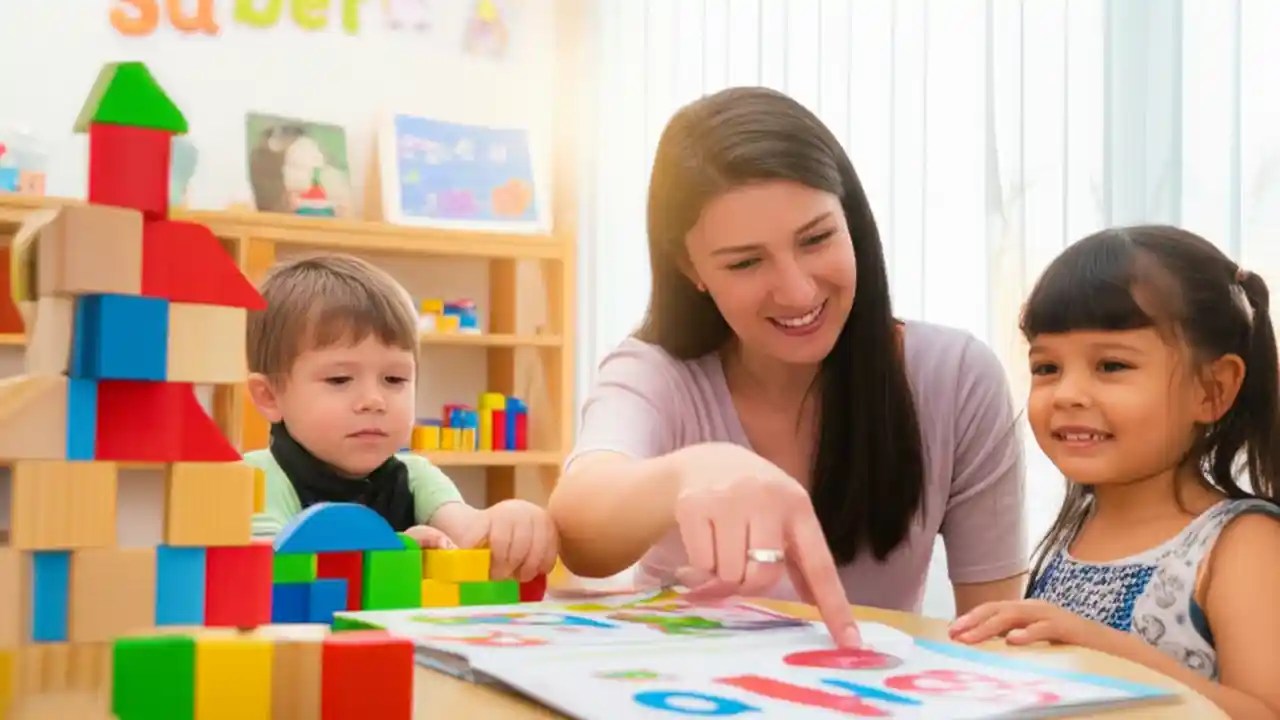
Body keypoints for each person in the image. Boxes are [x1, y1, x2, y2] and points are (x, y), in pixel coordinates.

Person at [547, 86, 1028, 648]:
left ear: (850, 219)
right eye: (747, 262)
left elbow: (995, 635)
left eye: (817, 238)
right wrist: (691, 471)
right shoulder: (657, 372)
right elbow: (580, 525)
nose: (797, 292)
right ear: (690, 267)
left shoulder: (957, 378)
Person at [948, 226, 1280, 717]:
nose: (1067, 394)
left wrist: (1104, 652)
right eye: (1047, 368)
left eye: (1111, 366)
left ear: (1212, 390)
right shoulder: (1076, 531)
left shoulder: (1242, 543)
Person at [245, 253, 557, 583]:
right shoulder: (254, 479)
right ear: (269, 396)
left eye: (394, 380)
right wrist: (398, 550)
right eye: (339, 380)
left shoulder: (416, 476)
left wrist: (509, 522)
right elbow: (272, 568)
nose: (374, 400)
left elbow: (470, 534)